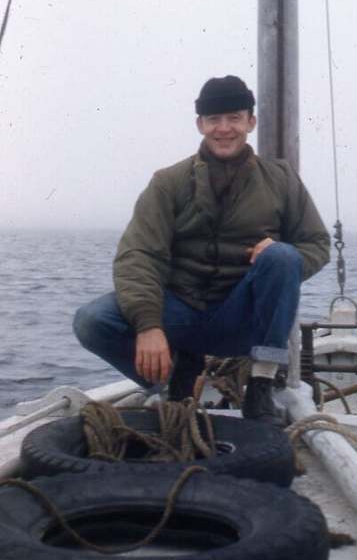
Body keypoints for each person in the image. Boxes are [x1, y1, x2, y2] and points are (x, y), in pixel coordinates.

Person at [73, 75, 330, 425]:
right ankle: (173, 375)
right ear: (200, 124)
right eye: (214, 119)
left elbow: (316, 245)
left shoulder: (281, 178)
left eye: (234, 118)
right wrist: (148, 324)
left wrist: (277, 249)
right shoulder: (168, 182)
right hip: (180, 311)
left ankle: (261, 383)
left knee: (284, 256)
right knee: (92, 321)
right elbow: (139, 255)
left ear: (250, 122)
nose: (224, 129)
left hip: (244, 321)